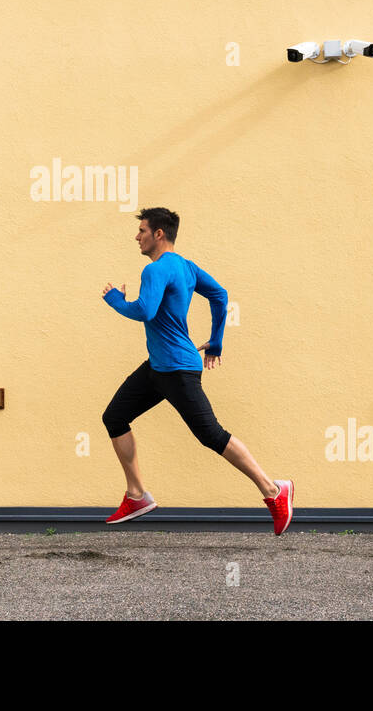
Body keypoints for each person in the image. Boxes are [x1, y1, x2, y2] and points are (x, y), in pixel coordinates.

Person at [100, 207, 293, 536]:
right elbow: (220, 295)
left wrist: (116, 300)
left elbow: (144, 310)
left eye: (142, 231)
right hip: (158, 367)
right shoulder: (185, 267)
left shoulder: (157, 269)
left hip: (176, 370)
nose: (137, 236)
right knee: (115, 417)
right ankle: (136, 495)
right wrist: (216, 341)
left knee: (212, 435)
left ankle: (274, 491)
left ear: (159, 234)